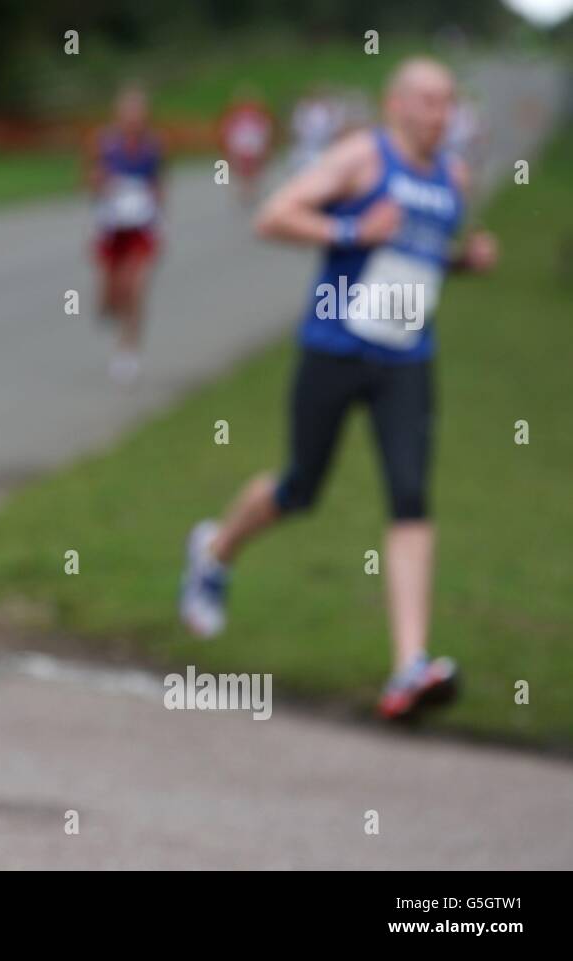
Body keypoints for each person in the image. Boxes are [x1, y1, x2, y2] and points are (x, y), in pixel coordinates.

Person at [179, 57, 498, 720]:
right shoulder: (361, 158)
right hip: (334, 348)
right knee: (301, 487)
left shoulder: (455, 177)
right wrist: (351, 228)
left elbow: (420, 254)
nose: (442, 114)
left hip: (408, 356)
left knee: (411, 495)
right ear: (398, 104)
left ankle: (409, 665)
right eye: (430, 101)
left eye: (448, 102)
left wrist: (465, 260)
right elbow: (272, 215)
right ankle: (214, 550)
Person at [86, 83, 164, 384]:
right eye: (128, 113)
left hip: (142, 226)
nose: (134, 118)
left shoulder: (153, 146)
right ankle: (108, 305)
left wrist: (158, 212)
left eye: (139, 113)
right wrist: (102, 183)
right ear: (118, 115)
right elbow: (90, 181)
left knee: (137, 287)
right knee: (112, 293)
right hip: (111, 226)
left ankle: (127, 351)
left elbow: (158, 184)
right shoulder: (105, 143)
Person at [218, 87, 275, 206]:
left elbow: (265, 130)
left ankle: (250, 191)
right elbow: (227, 130)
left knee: (253, 170)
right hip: (241, 146)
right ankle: (246, 191)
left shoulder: (258, 115)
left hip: (253, 145)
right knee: (243, 171)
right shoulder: (235, 115)